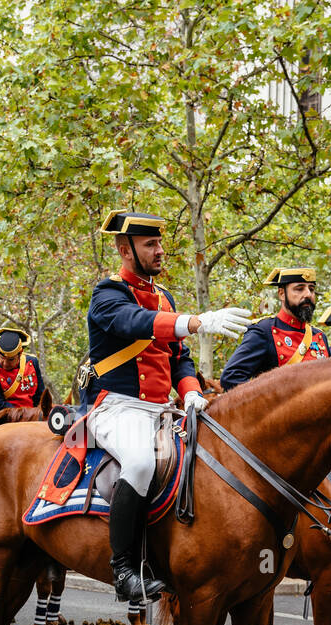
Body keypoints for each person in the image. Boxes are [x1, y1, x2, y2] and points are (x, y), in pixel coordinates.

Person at [84, 208, 248, 600]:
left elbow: (178, 358)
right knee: (140, 462)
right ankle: (124, 569)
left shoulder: (163, 296)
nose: (160, 251)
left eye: (160, 243)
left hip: (163, 409)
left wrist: (191, 391)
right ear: (125, 250)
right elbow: (135, 323)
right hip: (118, 406)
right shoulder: (107, 294)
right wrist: (194, 321)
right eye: (150, 244)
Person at [219, 268, 331, 390]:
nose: (308, 294)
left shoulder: (319, 336)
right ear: (281, 294)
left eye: (311, 289)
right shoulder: (263, 331)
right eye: (299, 289)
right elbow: (231, 377)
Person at [0, 326, 46, 413]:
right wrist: (27, 414)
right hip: (2, 417)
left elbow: (40, 396)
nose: (5, 363)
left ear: (20, 354)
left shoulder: (33, 362)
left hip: (32, 414)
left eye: (11, 359)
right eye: (2, 358)